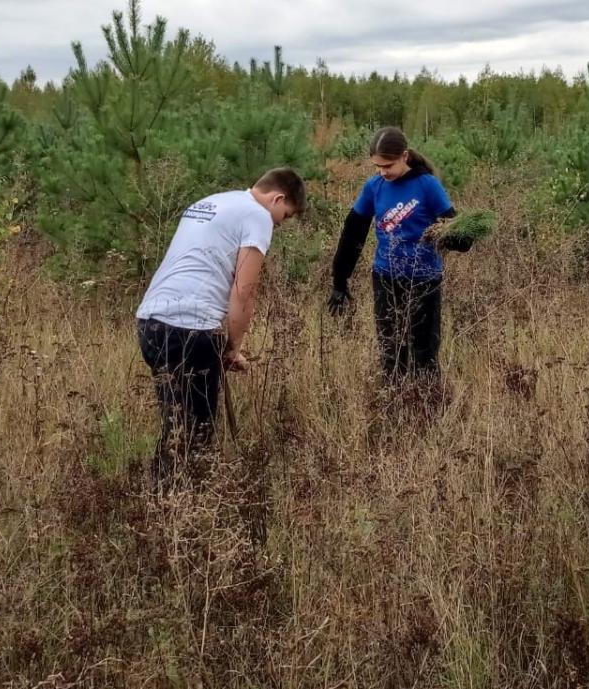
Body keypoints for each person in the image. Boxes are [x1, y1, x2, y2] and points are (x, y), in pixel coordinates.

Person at [136, 167, 304, 483]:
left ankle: (162, 501)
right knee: (198, 428)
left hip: (150, 322)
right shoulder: (257, 216)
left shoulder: (211, 202)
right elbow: (244, 289)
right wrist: (232, 348)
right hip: (191, 328)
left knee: (175, 419)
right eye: (285, 215)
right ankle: (191, 511)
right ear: (277, 198)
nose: (279, 223)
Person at [328, 127, 471, 385]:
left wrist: (459, 237)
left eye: (388, 165)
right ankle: (393, 403)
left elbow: (452, 227)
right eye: (377, 166)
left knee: (424, 351)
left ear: (404, 156)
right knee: (391, 349)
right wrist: (340, 279)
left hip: (424, 279)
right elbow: (353, 233)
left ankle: (426, 404)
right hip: (386, 278)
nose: (383, 171)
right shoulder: (374, 187)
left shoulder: (427, 185)